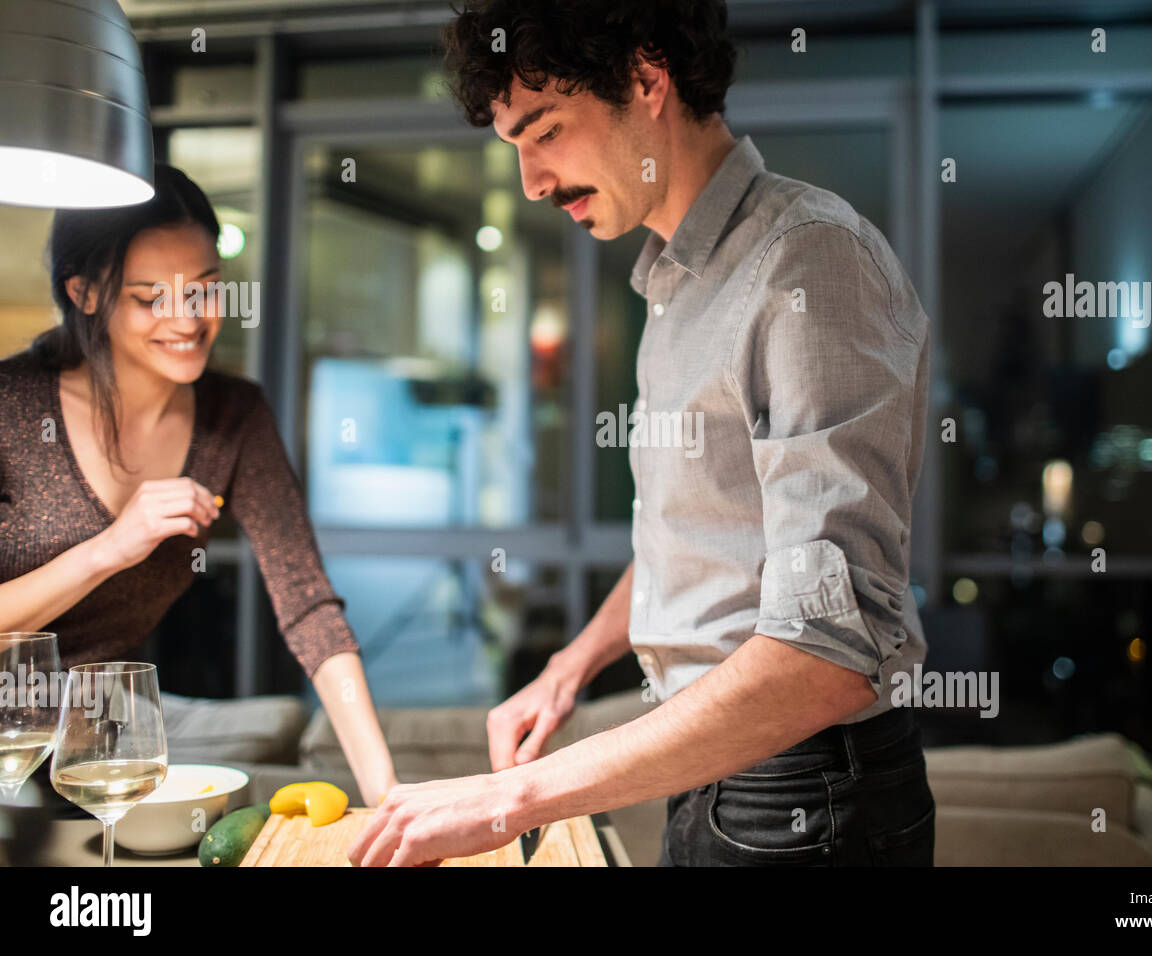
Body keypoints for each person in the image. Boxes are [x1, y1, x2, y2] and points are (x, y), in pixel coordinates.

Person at [350, 0, 934, 866]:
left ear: (647, 79)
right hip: (712, 770)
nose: (532, 184)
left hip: (806, 798)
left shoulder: (808, 264)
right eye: (515, 147)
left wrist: (510, 799)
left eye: (544, 132)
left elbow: (830, 651)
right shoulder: (675, 284)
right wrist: (569, 667)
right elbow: (698, 538)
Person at [0, 164, 398, 809]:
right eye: (152, 297)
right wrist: (112, 547)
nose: (188, 320)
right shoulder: (11, 406)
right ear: (85, 294)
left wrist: (387, 796)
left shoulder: (232, 415)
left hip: (98, 729)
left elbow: (309, 607)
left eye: (206, 290)